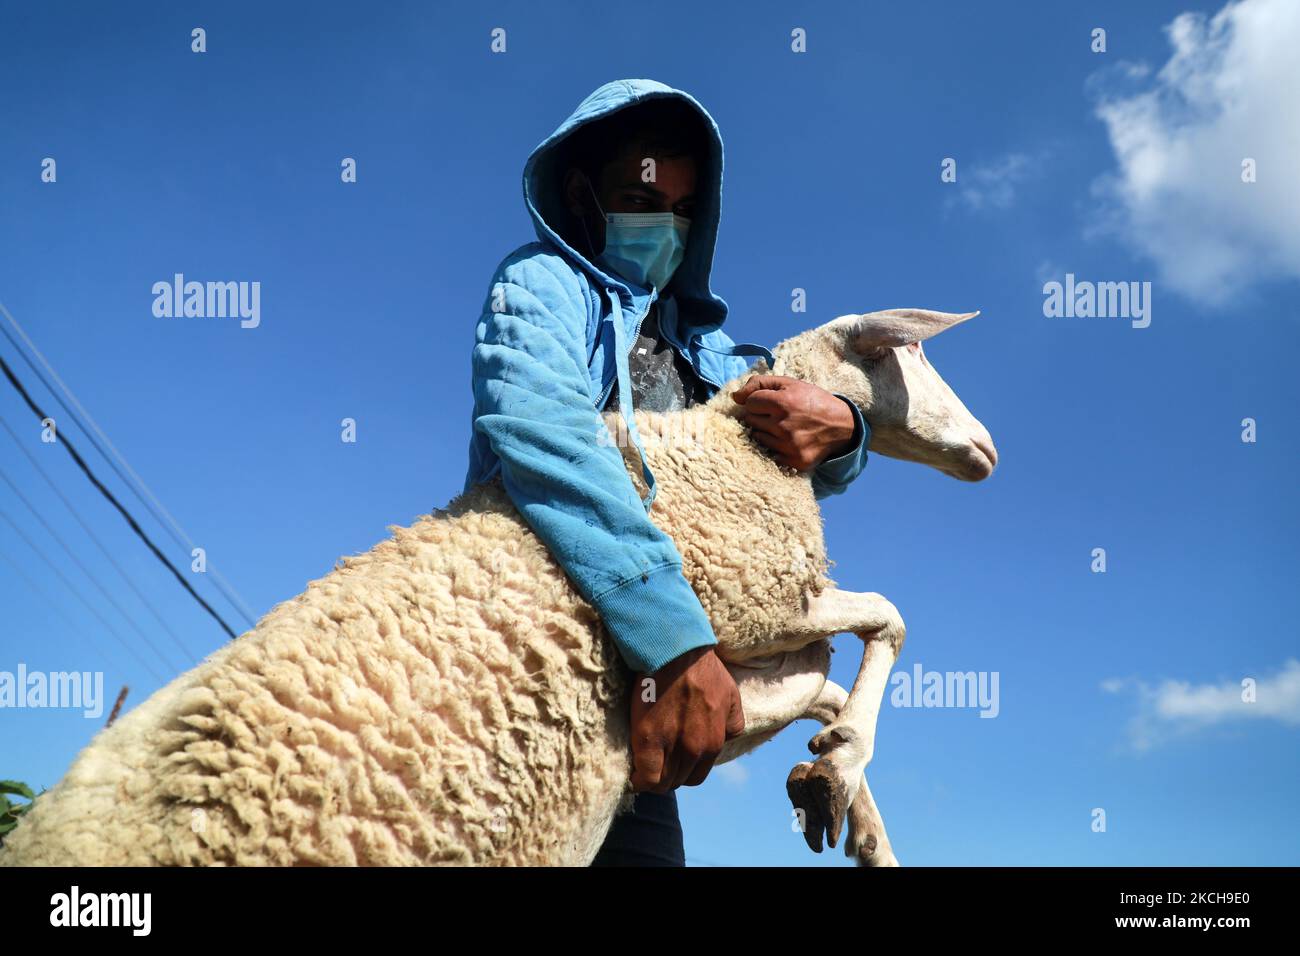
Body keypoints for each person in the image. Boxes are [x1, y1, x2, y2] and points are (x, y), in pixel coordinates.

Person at [463, 79, 870, 866]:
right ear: (583, 195)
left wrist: (845, 429)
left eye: (685, 211)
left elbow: (794, 463)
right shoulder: (543, 285)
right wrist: (679, 645)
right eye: (642, 198)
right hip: (540, 659)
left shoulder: (712, 359)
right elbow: (540, 433)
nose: (665, 226)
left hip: (634, 718)